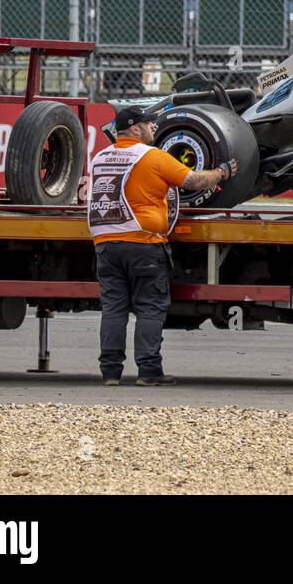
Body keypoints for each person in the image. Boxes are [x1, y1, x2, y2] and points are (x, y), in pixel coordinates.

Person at [88, 105, 239, 384]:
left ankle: (110, 372)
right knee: (149, 306)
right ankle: (148, 372)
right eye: (148, 123)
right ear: (135, 128)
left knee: (113, 309)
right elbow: (193, 180)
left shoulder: (99, 157)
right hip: (143, 243)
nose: (154, 127)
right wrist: (221, 173)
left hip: (106, 243)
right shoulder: (152, 157)